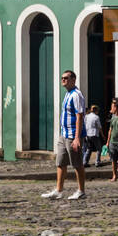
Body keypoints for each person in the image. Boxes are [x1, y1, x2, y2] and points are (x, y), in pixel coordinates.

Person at [43, 70, 86, 200]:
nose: (63, 80)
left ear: (73, 79)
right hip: (64, 134)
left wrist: (77, 138)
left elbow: (79, 116)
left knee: (77, 163)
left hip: (73, 135)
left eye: (66, 78)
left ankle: (81, 190)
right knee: (60, 162)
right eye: (62, 78)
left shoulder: (76, 95)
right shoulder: (68, 94)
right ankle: (59, 190)